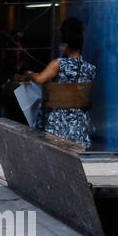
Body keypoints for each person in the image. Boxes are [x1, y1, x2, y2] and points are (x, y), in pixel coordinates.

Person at [24, 17, 97, 149]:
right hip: (79, 125)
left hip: (57, 124)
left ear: (65, 45)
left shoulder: (58, 64)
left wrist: (29, 74)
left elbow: (40, 79)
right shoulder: (91, 69)